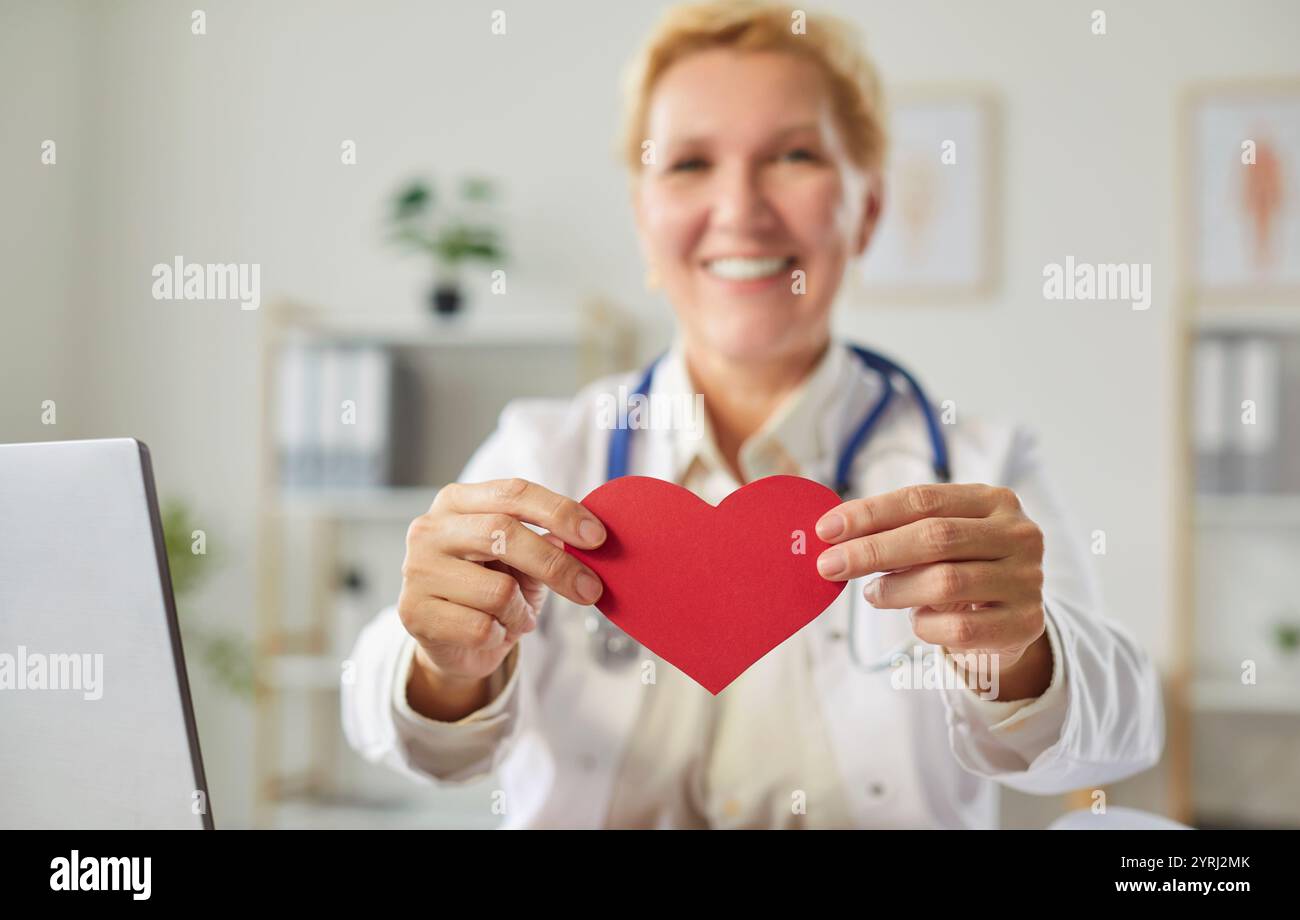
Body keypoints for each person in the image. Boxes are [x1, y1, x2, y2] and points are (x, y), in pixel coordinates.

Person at [342, 0, 1163, 829]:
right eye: (690, 163)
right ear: (643, 215)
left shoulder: (977, 463)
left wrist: (1023, 653)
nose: (740, 207)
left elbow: (1120, 736)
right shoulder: (545, 453)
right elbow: (398, 728)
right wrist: (445, 665)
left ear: (868, 208)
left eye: (794, 155)